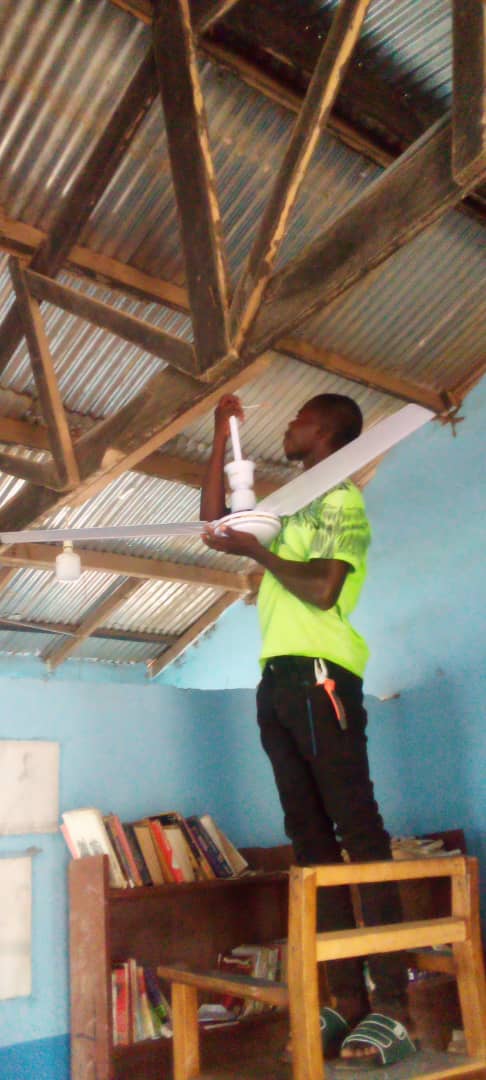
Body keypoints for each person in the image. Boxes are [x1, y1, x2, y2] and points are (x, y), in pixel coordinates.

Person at [200, 392, 417, 1067]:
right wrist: (217, 436)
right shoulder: (290, 505)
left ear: (326, 430)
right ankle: (346, 1001)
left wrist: (257, 556)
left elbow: (323, 588)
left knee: (356, 830)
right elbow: (213, 522)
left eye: (298, 418)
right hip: (277, 681)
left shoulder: (339, 503)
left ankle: (392, 1006)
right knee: (310, 842)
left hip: (322, 674)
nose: (288, 425)